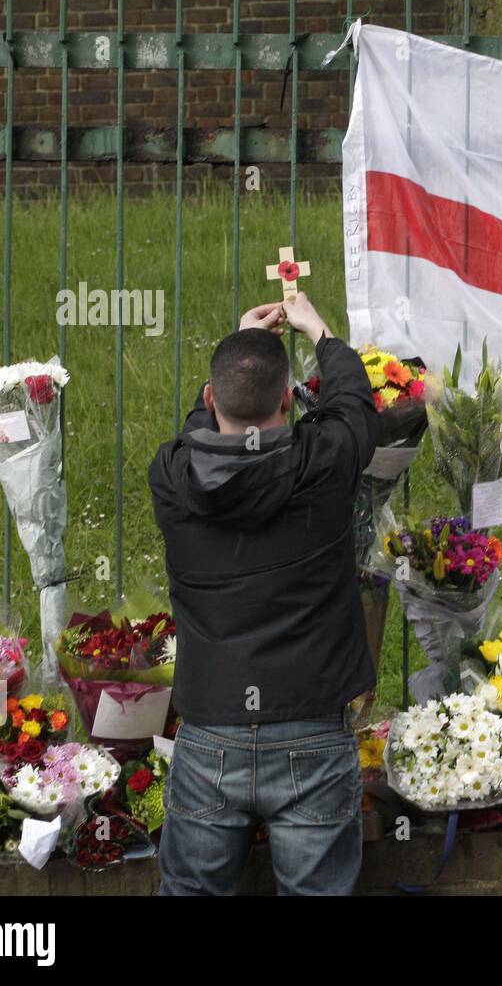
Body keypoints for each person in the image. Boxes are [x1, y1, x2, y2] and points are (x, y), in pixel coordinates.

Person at [148, 293, 380, 895]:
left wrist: (240, 355)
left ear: (207, 399)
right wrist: (318, 334)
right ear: (289, 400)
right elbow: (356, 405)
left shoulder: (171, 477)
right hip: (312, 728)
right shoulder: (325, 463)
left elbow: (198, 443)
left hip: (210, 734)